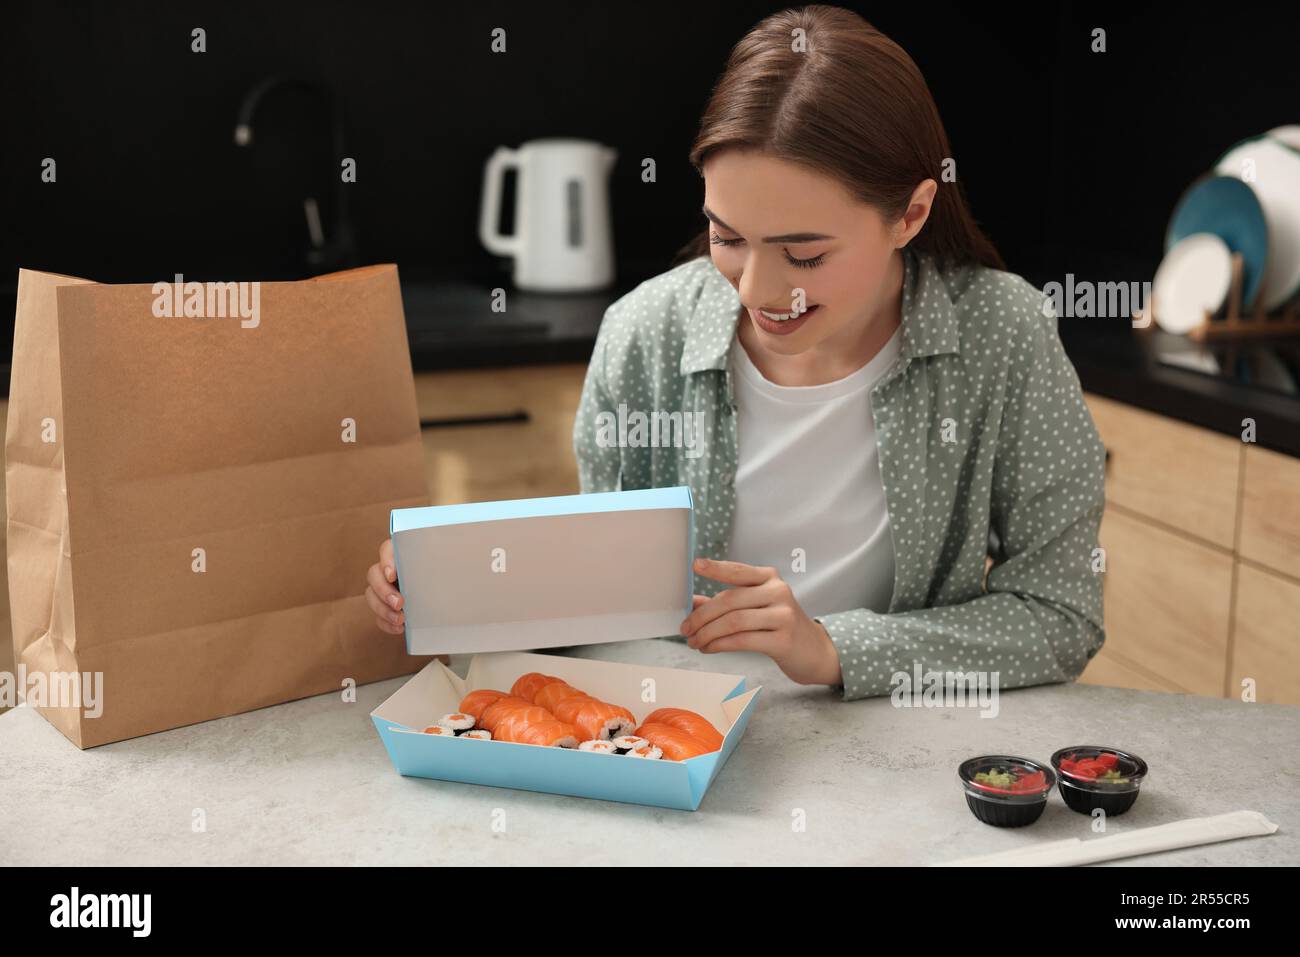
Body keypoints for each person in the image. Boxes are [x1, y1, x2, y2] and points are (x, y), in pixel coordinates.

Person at [366, 4, 1106, 701]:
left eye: (805, 254)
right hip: (676, 731)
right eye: (727, 238)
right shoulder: (645, 332)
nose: (757, 289)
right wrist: (450, 584)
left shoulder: (1003, 333)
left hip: (901, 746)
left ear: (910, 214)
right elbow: (602, 600)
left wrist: (833, 648)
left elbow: (1060, 615)